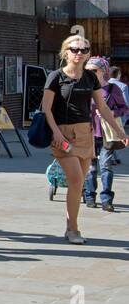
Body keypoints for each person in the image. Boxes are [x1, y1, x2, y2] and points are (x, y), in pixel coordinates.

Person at [41, 35, 129, 242]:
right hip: (62, 133)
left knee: (78, 185)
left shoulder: (90, 78)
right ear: (65, 52)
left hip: (85, 134)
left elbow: (103, 107)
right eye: (74, 49)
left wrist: (120, 131)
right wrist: (56, 132)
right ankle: (73, 230)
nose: (79, 53)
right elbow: (45, 108)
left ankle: (70, 227)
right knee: (76, 179)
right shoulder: (55, 76)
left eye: (84, 49)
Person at [81, 56, 128, 213]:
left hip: (107, 134)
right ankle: (89, 196)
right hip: (88, 133)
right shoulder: (83, 88)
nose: (90, 73)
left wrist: (111, 112)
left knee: (105, 166)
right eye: (87, 71)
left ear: (103, 71)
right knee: (91, 168)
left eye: (93, 70)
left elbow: (124, 109)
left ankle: (107, 200)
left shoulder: (113, 89)